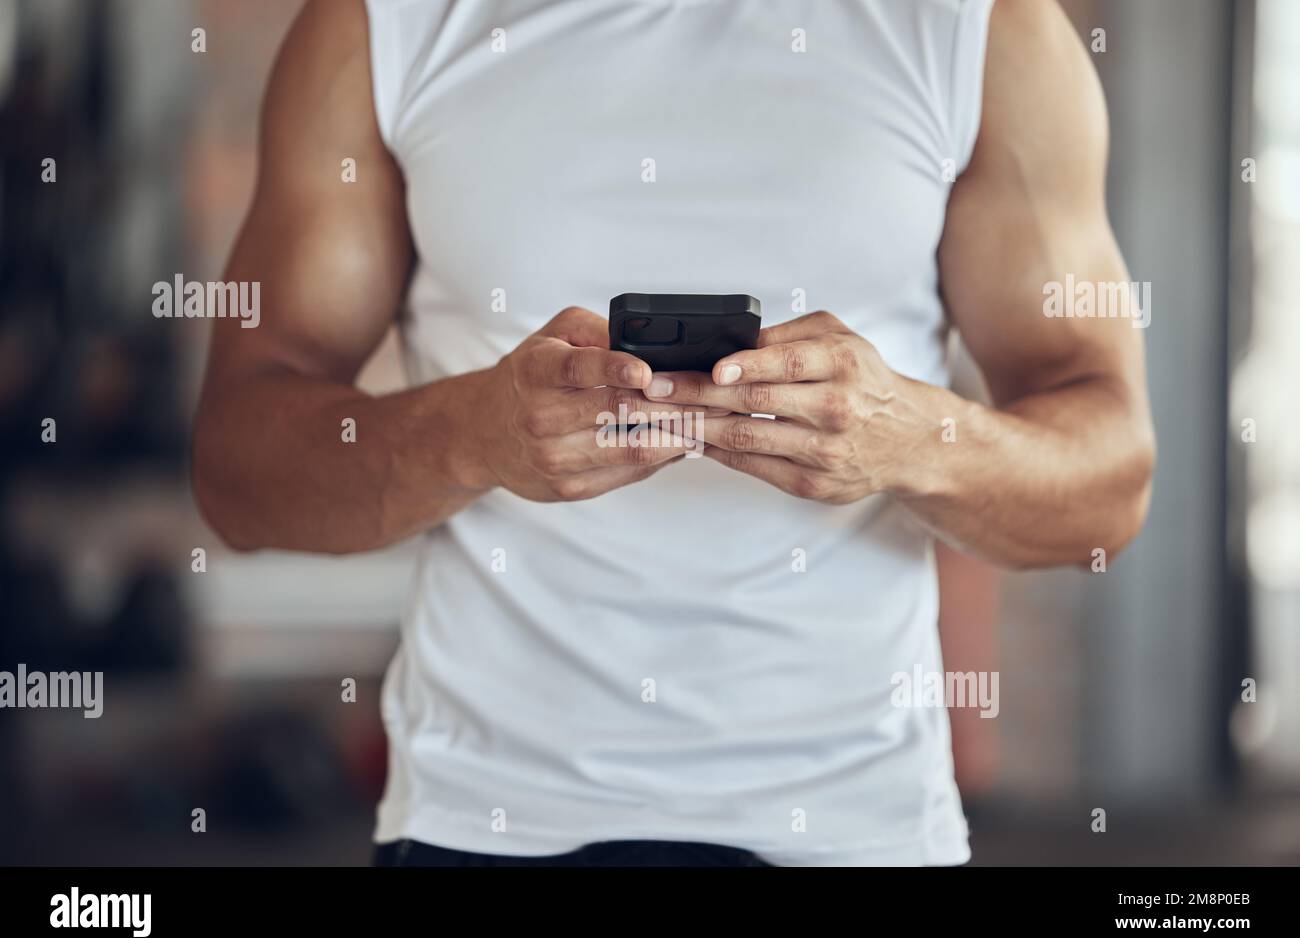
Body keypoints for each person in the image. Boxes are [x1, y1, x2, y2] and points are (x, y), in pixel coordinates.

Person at [192, 0, 1155, 867]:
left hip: (852, 827)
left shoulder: (981, 32)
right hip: (485, 823)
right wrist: (473, 433)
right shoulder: (382, 26)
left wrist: (907, 437)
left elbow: (1110, 488)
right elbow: (237, 474)